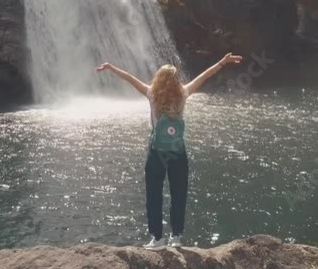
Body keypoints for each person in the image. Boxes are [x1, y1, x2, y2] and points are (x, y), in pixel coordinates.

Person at [96, 53, 243, 250]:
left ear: (158, 79)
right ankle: (176, 237)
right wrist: (222, 62)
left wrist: (111, 68)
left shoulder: (151, 94)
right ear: (175, 81)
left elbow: (130, 79)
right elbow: (205, 76)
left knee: (154, 195)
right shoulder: (183, 93)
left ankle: (157, 239)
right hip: (178, 152)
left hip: (157, 153)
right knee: (178, 194)